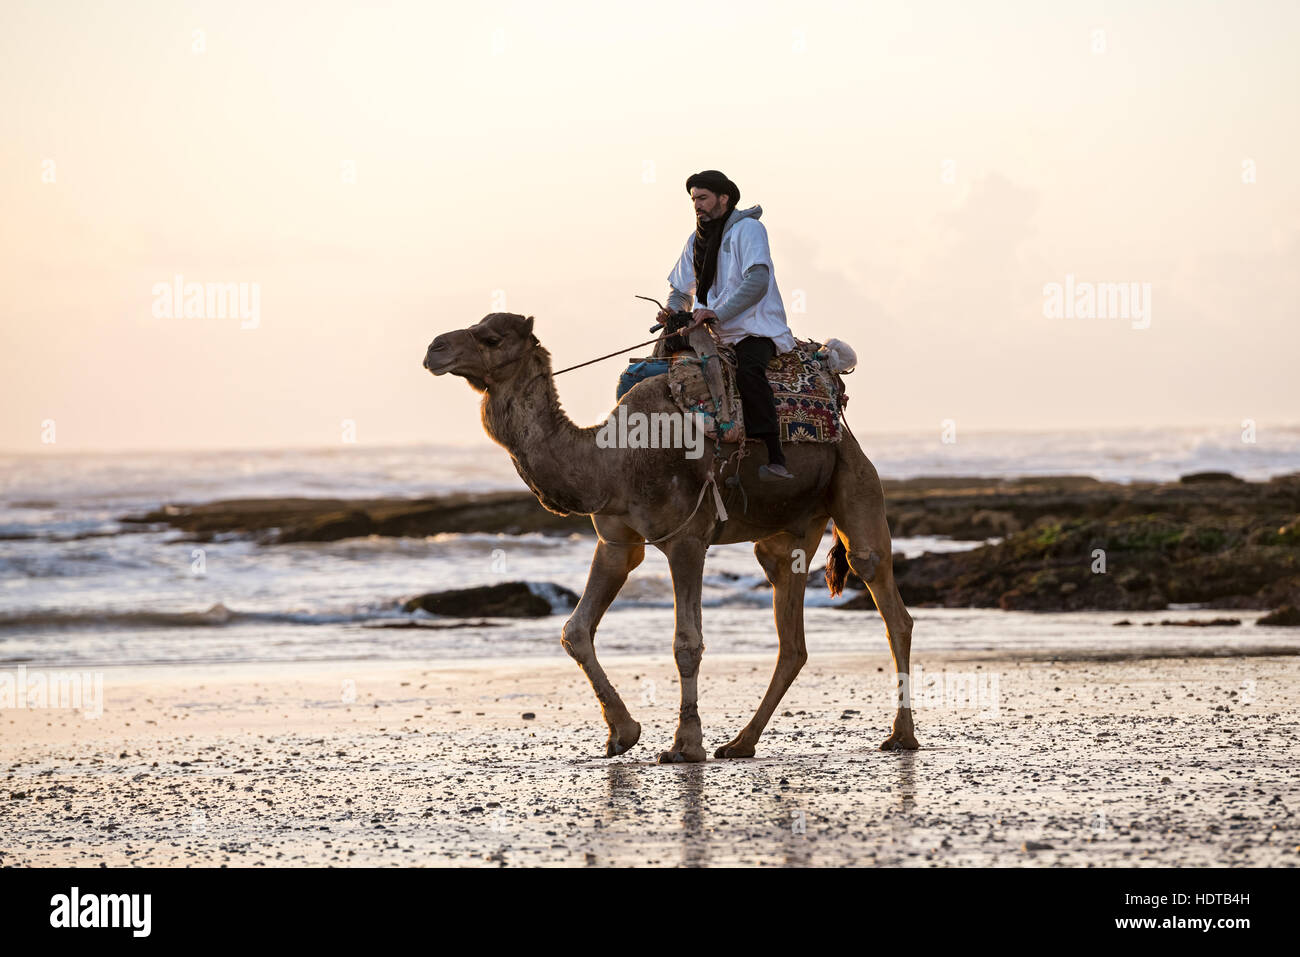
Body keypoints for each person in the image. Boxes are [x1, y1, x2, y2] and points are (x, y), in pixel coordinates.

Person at [659, 170, 796, 481]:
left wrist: (716, 313)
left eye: (703, 198)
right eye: (694, 199)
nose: (697, 205)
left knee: (749, 372)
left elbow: (757, 281)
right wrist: (671, 312)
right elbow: (681, 290)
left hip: (754, 329)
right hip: (713, 336)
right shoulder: (696, 241)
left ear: (724, 198)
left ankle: (774, 455)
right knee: (660, 372)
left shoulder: (748, 230)